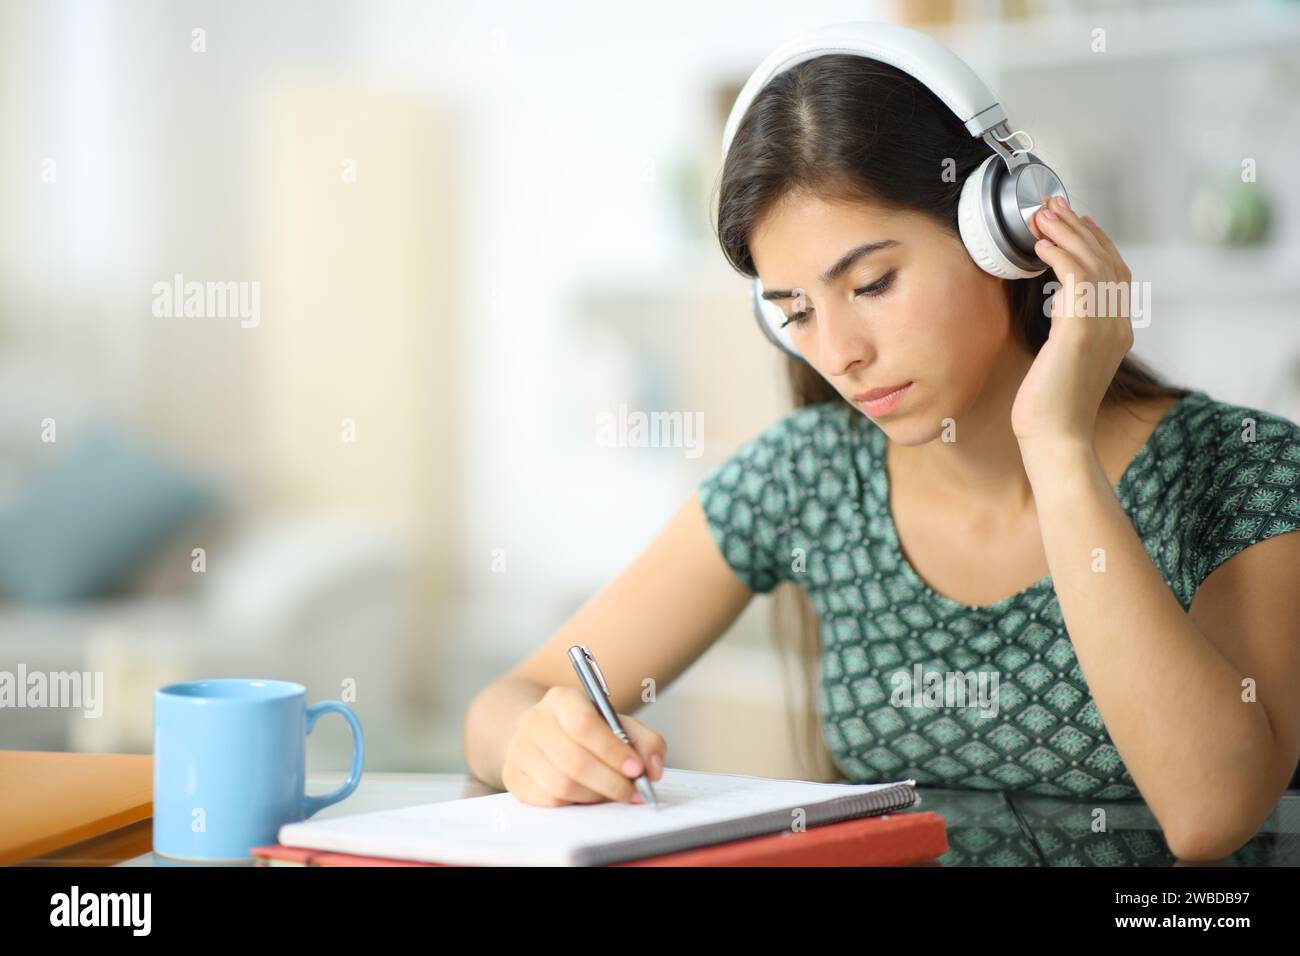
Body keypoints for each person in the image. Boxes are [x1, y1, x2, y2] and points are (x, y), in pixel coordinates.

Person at [463, 31, 1300, 864]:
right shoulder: (809, 475)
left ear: (1005, 233)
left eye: (871, 285)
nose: (838, 353)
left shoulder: (1245, 467)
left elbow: (1210, 813)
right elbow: (508, 702)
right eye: (795, 311)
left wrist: (1056, 443)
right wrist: (534, 743)